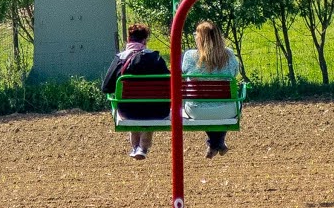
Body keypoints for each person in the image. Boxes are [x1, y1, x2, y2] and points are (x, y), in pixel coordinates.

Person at [101, 23, 168, 159]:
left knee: (133, 104)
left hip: (128, 111)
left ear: (128, 40)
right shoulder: (157, 59)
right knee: (149, 105)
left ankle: (136, 147)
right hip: (157, 111)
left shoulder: (121, 58)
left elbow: (106, 87)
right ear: (145, 40)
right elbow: (170, 83)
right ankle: (142, 147)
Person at [181, 20, 241, 158]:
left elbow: (184, 72)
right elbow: (235, 73)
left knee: (206, 105)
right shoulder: (229, 55)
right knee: (221, 105)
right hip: (227, 111)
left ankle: (214, 143)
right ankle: (217, 143)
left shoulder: (190, 56)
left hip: (196, 111)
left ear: (200, 38)